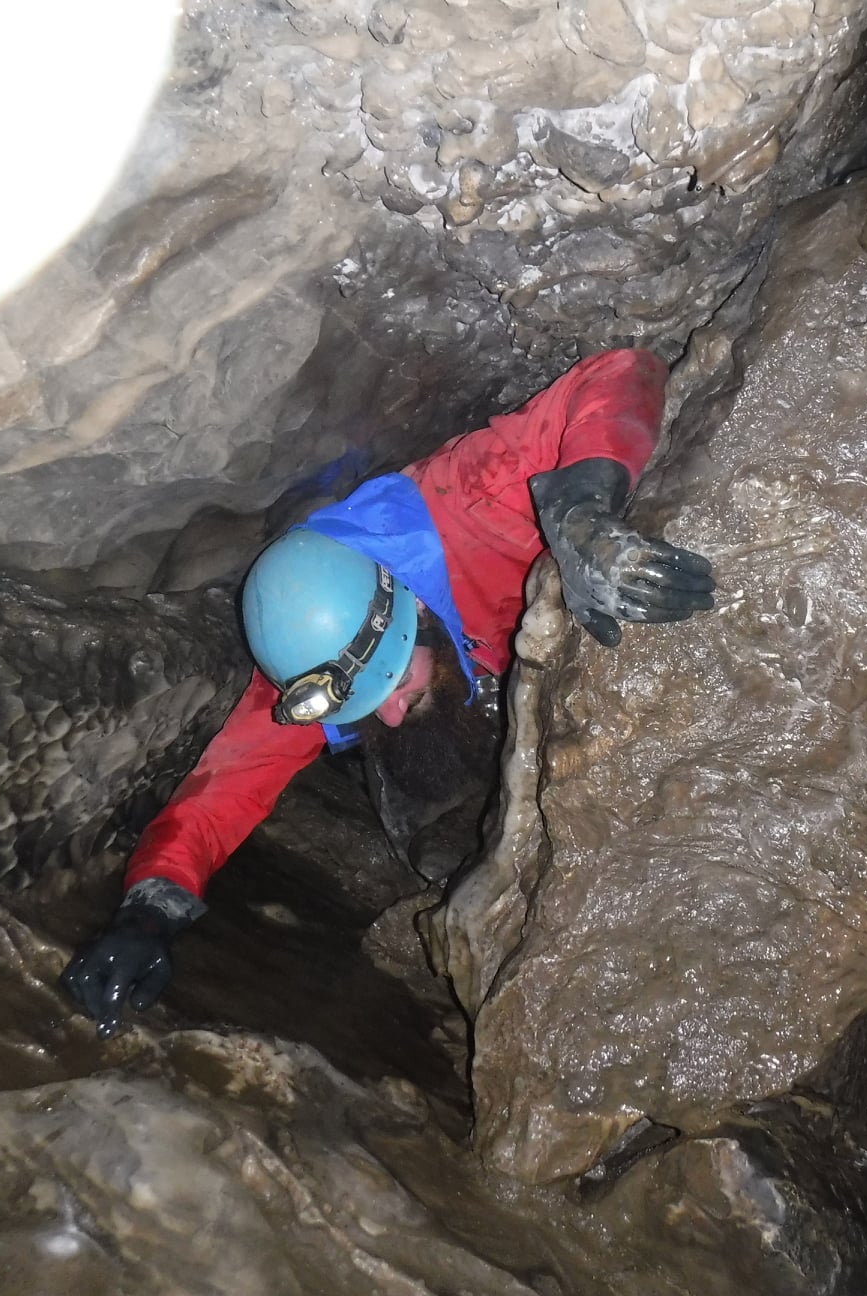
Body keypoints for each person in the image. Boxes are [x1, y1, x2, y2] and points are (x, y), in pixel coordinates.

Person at [62, 349, 715, 1036]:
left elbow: (619, 372)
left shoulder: (473, 498)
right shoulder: (305, 649)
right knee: (419, 771)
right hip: (468, 659)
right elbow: (221, 790)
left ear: (412, 613)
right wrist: (148, 909)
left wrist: (583, 514)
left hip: (489, 621)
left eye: (395, 681)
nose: (392, 712)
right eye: (370, 700)